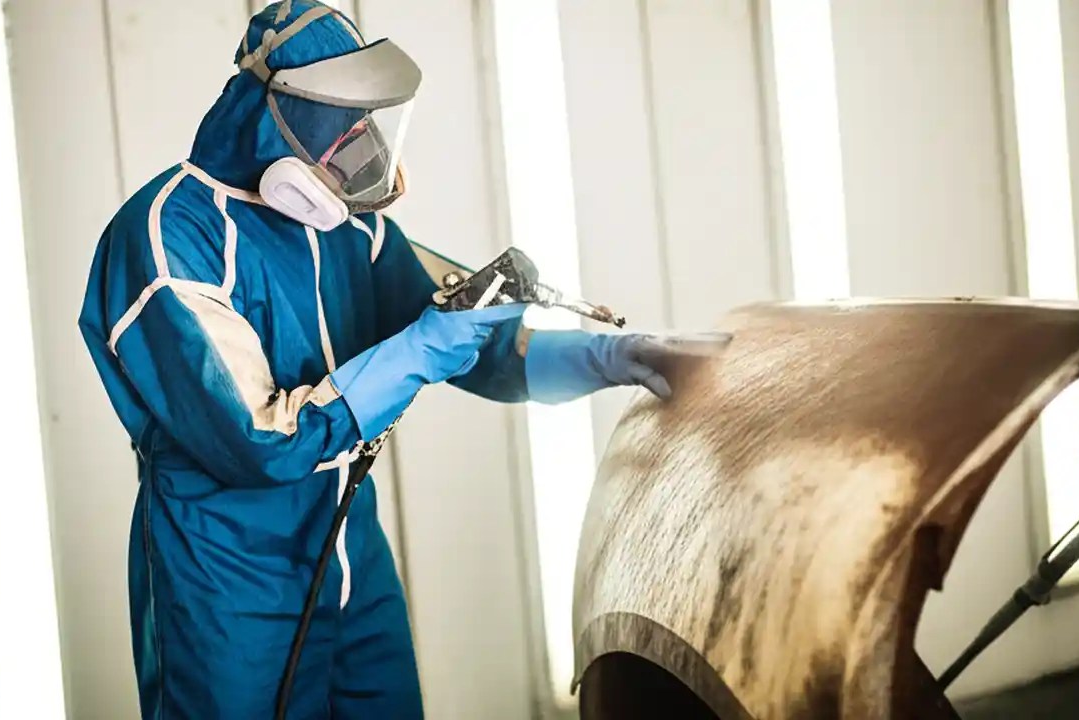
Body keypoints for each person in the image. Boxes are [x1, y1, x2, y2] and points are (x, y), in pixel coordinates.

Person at [79, 2, 677, 717]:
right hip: (226, 582)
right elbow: (261, 440)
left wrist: (608, 357)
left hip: (350, 560)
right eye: (341, 119)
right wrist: (420, 350)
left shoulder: (346, 229)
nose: (358, 144)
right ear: (275, 114)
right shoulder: (167, 241)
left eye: (366, 118)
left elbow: (479, 347)